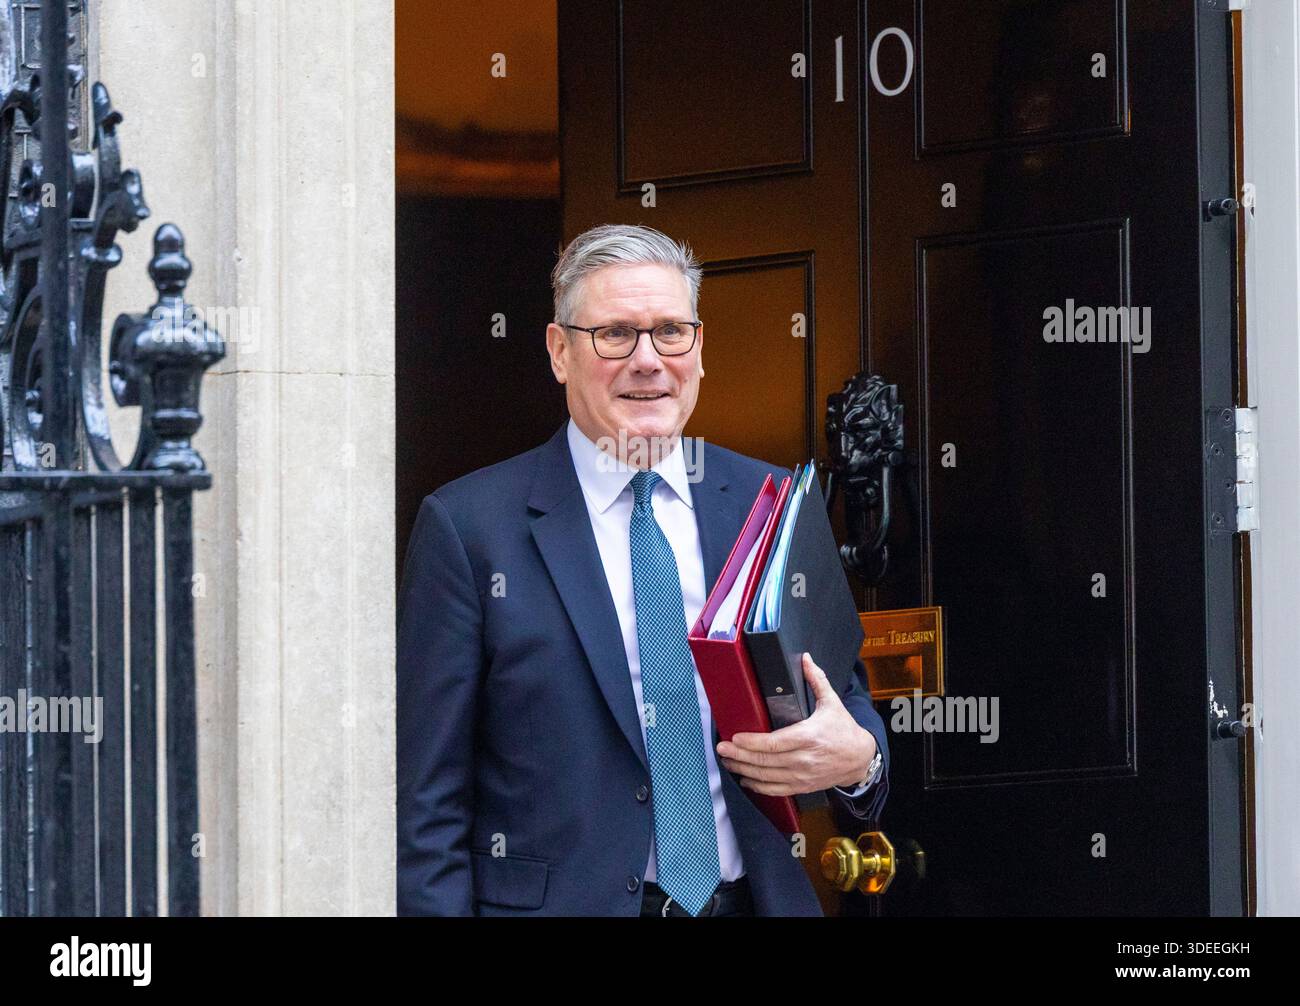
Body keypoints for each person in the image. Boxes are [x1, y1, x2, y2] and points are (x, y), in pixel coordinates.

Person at [397, 223, 888, 916]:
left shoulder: (770, 502)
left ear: (700, 348)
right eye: (615, 334)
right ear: (559, 351)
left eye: (670, 332)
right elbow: (427, 803)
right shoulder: (469, 530)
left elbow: (844, 702)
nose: (648, 360)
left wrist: (860, 759)